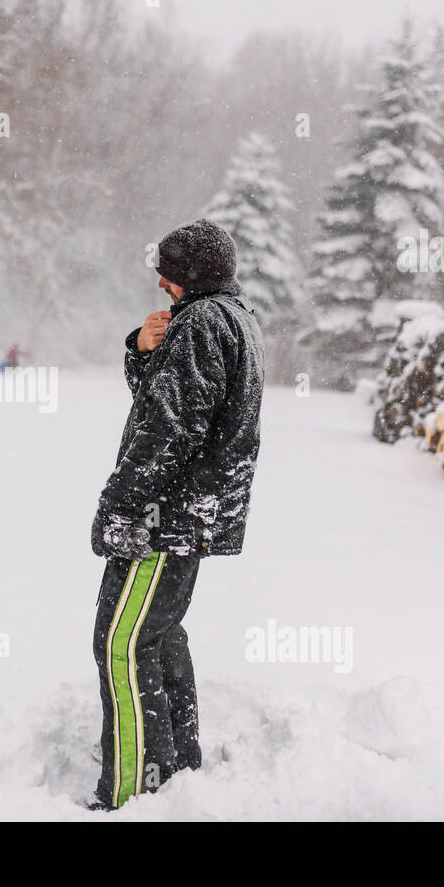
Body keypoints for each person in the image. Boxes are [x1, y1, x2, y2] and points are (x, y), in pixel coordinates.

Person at [88, 217, 265, 811]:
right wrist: (143, 351)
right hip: (192, 513)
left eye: (167, 276)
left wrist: (122, 510)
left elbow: (170, 430)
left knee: (122, 643)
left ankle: (131, 790)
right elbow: (176, 402)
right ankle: (172, 762)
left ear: (188, 276)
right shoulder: (233, 318)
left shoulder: (202, 326)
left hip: (163, 515)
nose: (161, 285)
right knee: (157, 636)